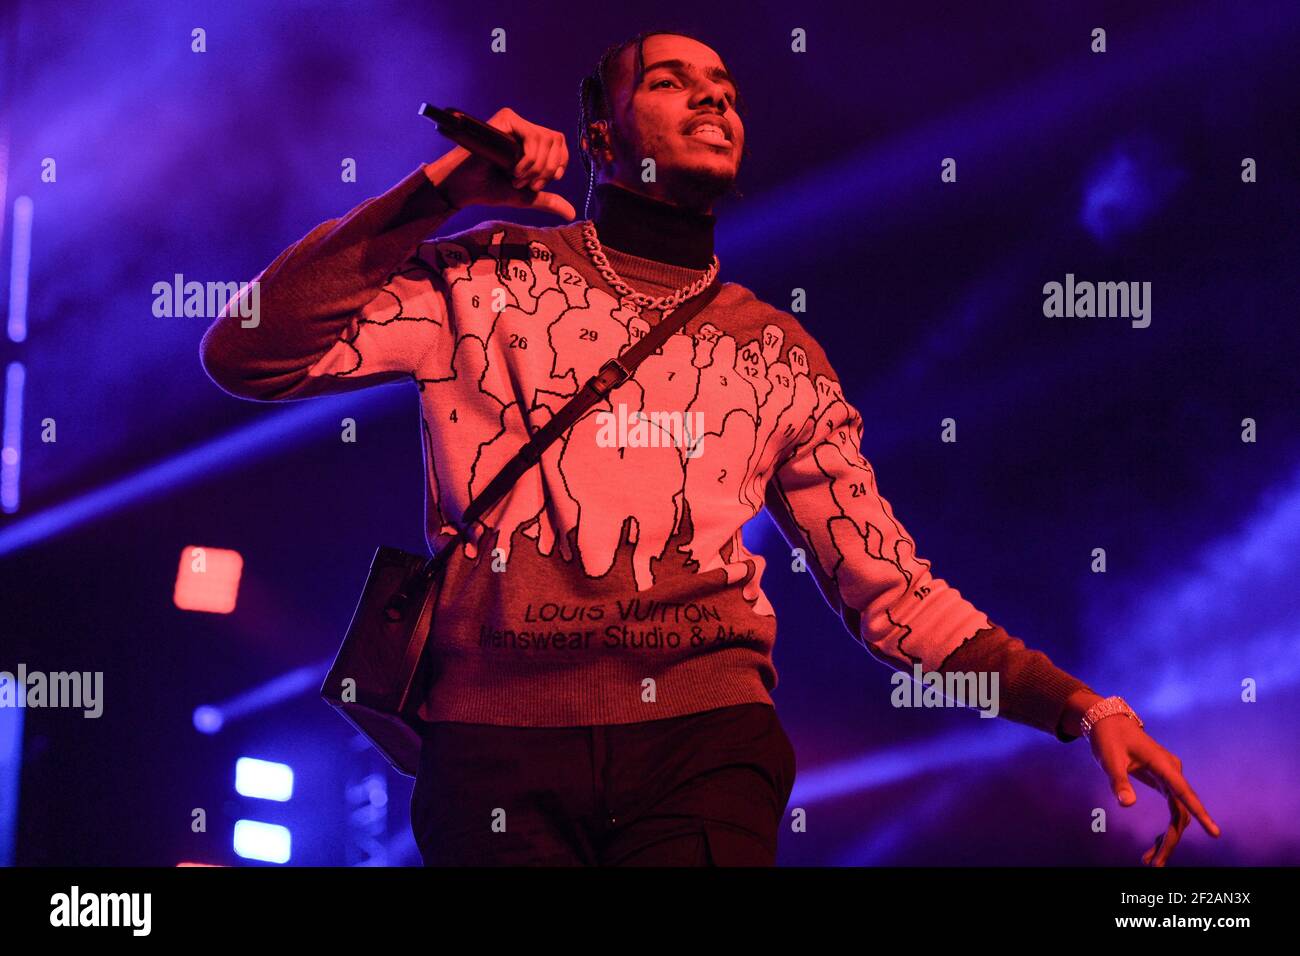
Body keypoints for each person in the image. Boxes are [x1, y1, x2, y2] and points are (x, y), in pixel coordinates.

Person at [200, 29, 1220, 866]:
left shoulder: (779, 352)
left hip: (704, 741)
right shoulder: (485, 278)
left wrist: (1081, 707)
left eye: (725, 87)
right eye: (670, 81)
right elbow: (248, 351)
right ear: (601, 135)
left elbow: (891, 593)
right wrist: (445, 189)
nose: (714, 99)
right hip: (493, 746)